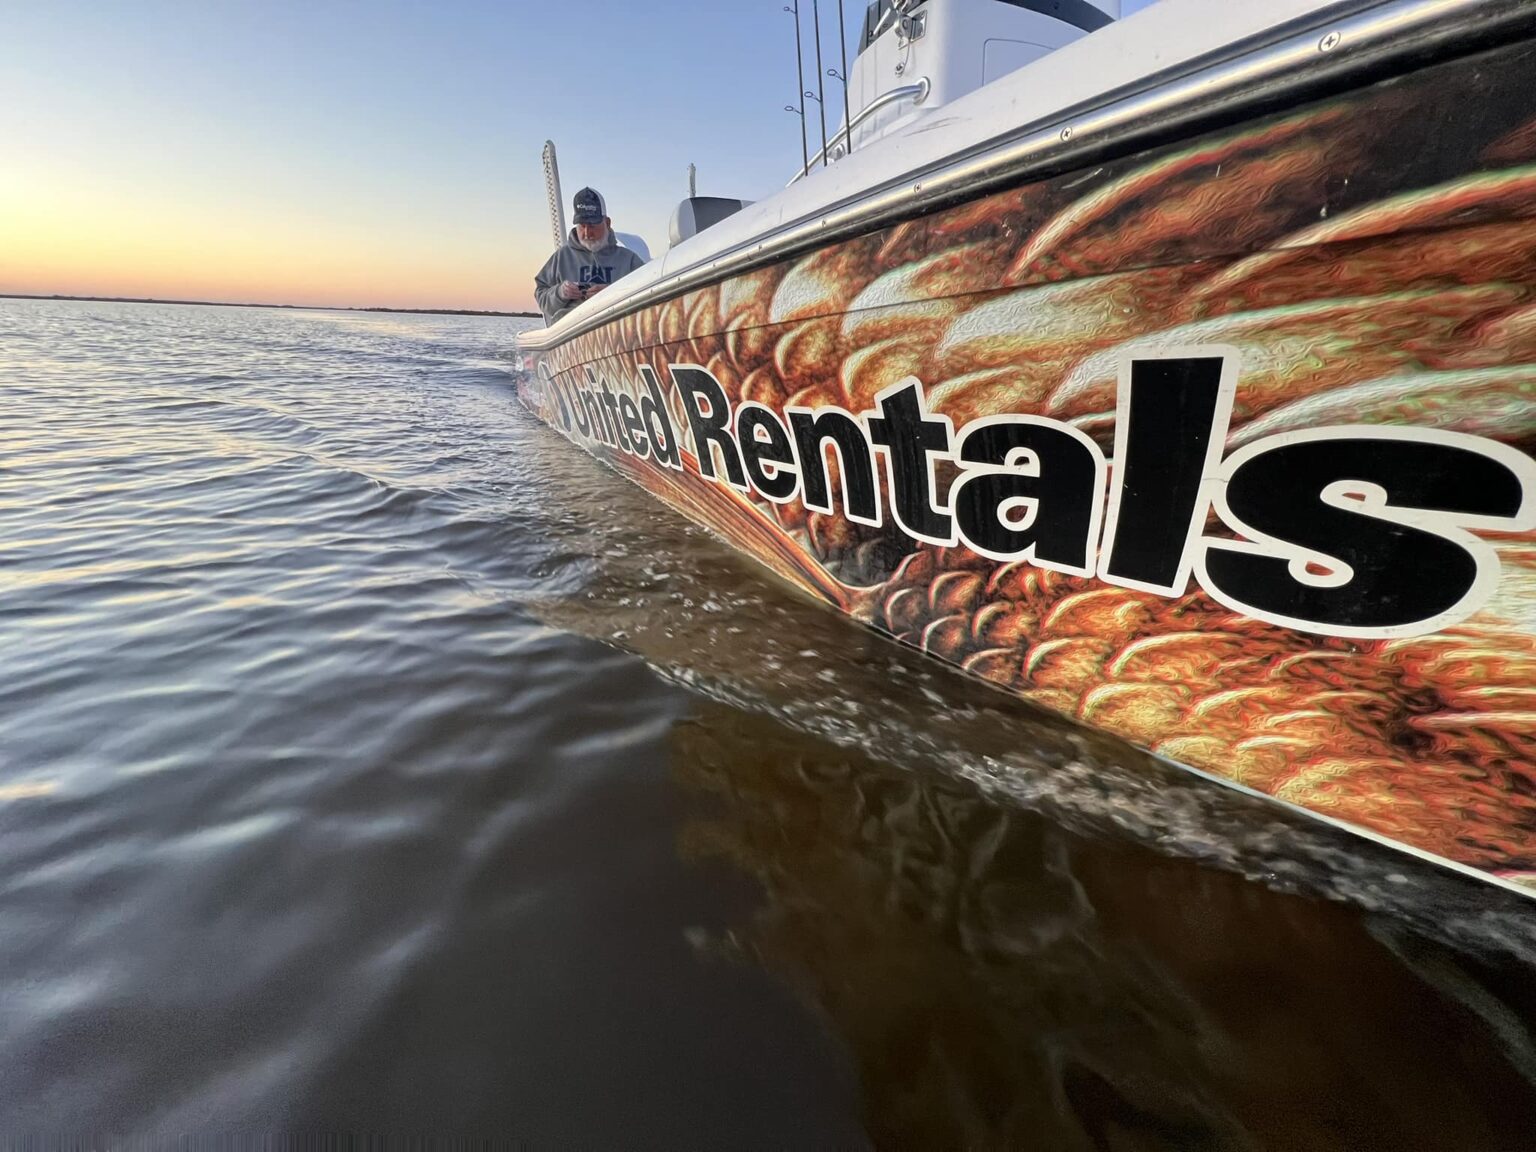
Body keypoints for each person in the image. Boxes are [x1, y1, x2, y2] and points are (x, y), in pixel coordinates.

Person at [534, 187, 647, 326]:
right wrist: (560, 292)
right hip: (570, 335)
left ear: (607, 223)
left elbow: (648, 292)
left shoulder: (629, 260)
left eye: (593, 225)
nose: (587, 233)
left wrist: (613, 293)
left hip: (618, 330)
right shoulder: (561, 257)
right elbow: (541, 295)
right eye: (582, 225)